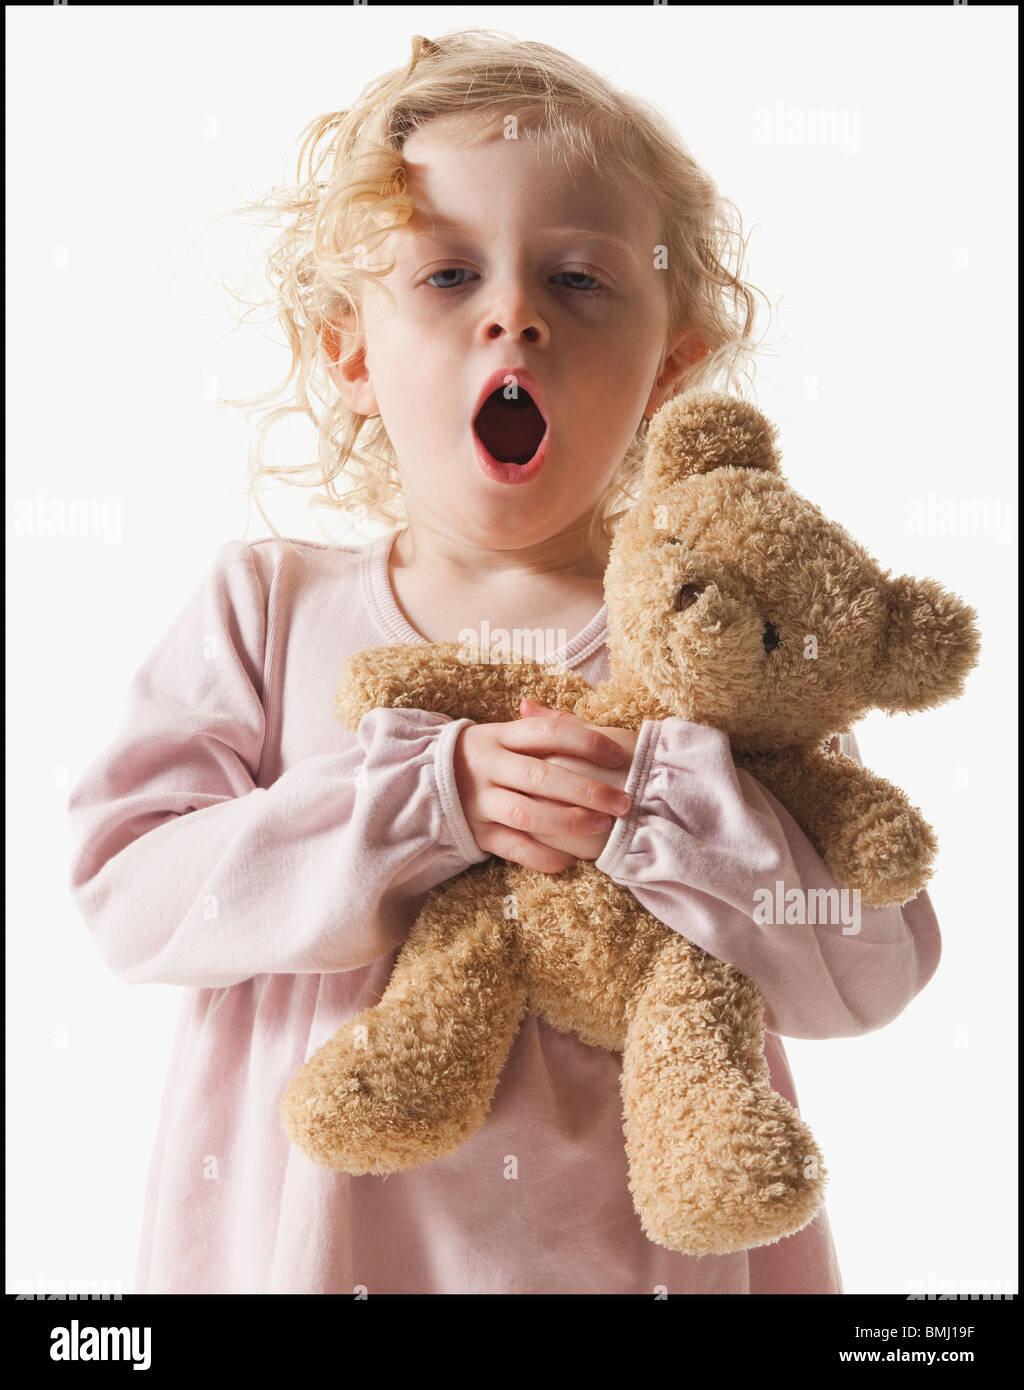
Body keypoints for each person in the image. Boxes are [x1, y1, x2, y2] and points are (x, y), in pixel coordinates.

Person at [66, 30, 940, 1294]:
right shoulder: (267, 607)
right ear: (349, 352)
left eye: (579, 280)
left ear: (669, 368)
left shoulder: (719, 647)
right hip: (310, 1258)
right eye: (445, 275)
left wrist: (669, 819)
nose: (513, 314)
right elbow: (127, 896)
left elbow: (869, 970)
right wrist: (418, 806)